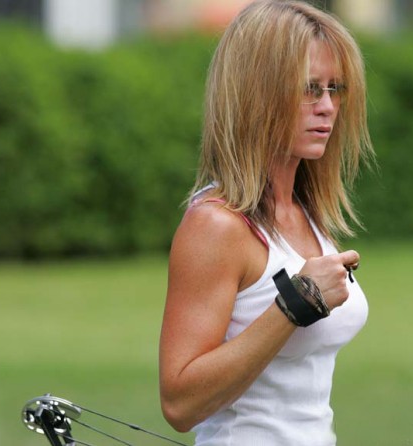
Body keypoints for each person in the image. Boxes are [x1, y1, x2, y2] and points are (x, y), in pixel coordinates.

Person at [159, 1, 374, 444]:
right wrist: (296, 303)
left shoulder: (305, 211)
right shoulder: (216, 225)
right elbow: (180, 404)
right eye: (309, 89)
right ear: (258, 94)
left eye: (334, 88)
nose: (328, 106)